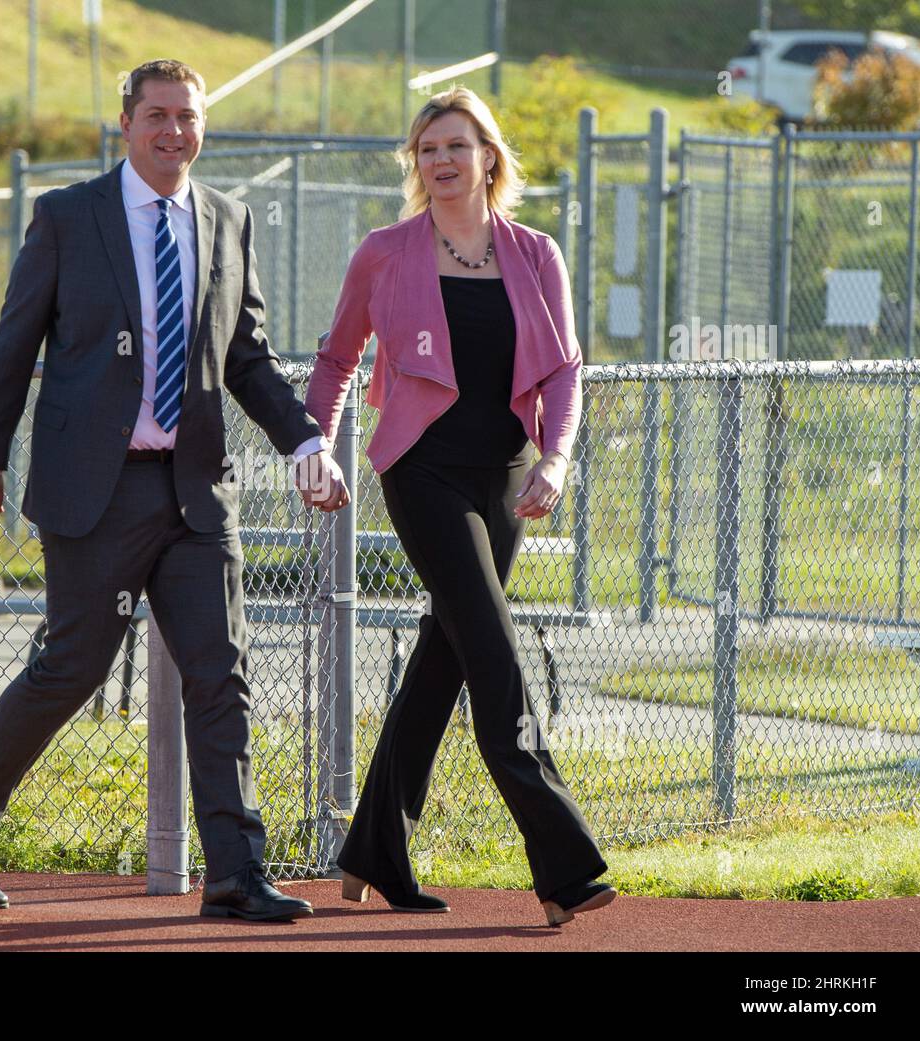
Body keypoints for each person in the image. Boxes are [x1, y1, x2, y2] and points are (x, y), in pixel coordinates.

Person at [0, 58, 348, 922]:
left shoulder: (227, 219)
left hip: (195, 495)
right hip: (94, 494)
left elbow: (247, 359)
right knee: (69, 669)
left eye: (188, 116)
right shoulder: (68, 217)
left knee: (222, 674)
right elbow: (13, 345)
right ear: (126, 125)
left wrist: (304, 437)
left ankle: (235, 871)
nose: (174, 131)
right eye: (158, 115)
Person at [301, 86, 615, 926]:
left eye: (456, 145)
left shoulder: (535, 253)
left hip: (506, 475)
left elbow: (563, 372)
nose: (441, 160)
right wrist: (318, 448)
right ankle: (564, 863)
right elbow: (336, 361)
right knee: (493, 651)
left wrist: (554, 459)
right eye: (427, 148)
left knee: (441, 660)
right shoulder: (386, 252)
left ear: (489, 157)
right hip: (423, 471)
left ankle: (374, 850)